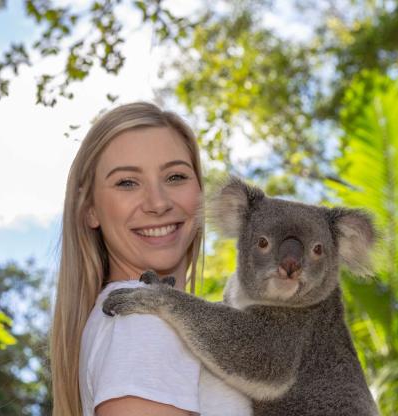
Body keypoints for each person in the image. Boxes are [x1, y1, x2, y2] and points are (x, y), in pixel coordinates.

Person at [50, 102, 250, 416]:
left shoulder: (156, 320)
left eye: (175, 177)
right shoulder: (143, 316)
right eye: (127, 182)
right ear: (89, 209)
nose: (158, 203)